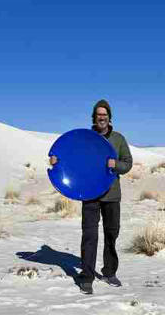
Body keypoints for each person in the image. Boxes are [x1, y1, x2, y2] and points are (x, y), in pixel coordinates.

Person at [49, 99, 133, 294]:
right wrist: (56, 161)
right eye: (98, 115)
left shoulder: (119, 139)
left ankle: (109, 272)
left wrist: (115, 165)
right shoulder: (86, 137)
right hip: (89, 193)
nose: (101, 118)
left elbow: (127, 163)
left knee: (112, 233)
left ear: (109, 117)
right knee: (89, 235)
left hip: (111, 194)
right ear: (94, 118)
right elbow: (72, 155)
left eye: (104, 115)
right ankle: (86, 276)